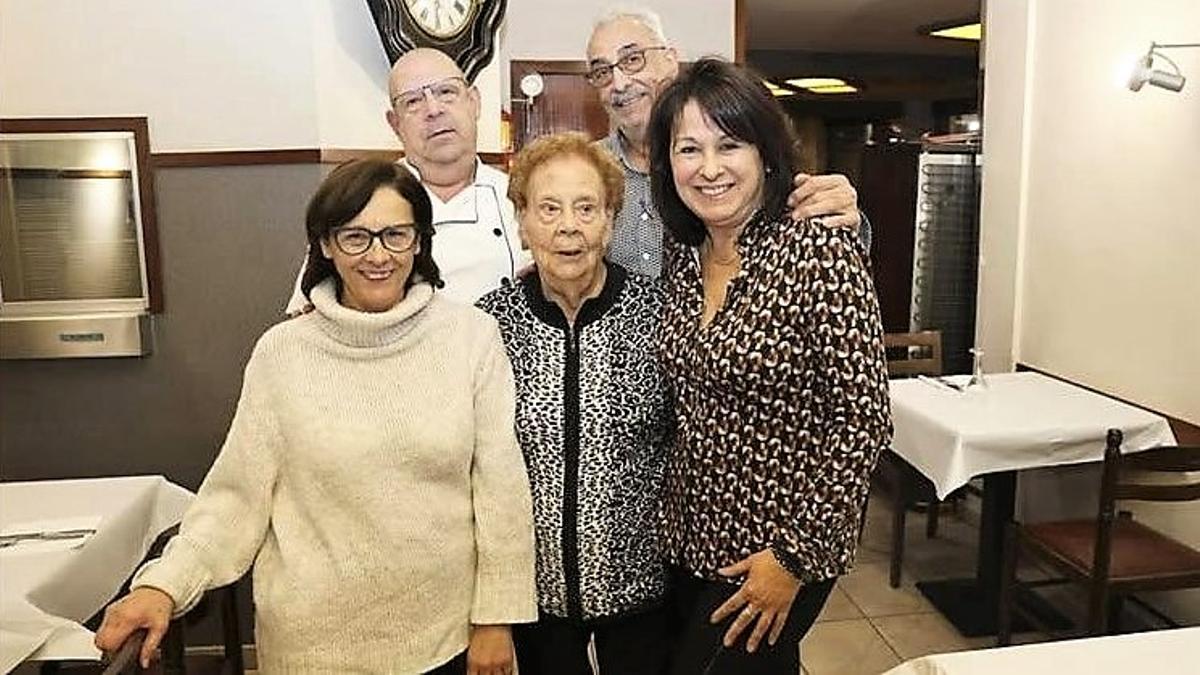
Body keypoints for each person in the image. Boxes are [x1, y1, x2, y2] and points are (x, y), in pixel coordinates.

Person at [97, 160, 537, 674]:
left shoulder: (470, 336)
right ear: (325, 245)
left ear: (419, 241)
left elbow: (500, 489)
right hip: (313, 648)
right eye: (355, 237)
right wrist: (163, 584)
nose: (378, 255)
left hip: (444, 639)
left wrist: (496, 619)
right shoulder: (282, 353)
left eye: (396, 235)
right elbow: (236, 498)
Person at [648, 58, 892, 675]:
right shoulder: (683, 257)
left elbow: (864, 420)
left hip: (779, 546)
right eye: (688, 148)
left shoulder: (819, 247)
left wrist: (791, 559)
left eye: (729, 145)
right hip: (689, 535)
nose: (708, 168)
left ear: (765, 152)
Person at [476, 133, 673, 675]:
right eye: (548, 208)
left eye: (587, 208)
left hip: (644, 589)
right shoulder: (488, 325)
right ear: (522, 222)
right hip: (535, 600)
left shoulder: (659, 314)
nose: (568, 226)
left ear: (610, 221)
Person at [585, 6, 870, 278]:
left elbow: (811, 235)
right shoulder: (584, 169)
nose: (619, 83)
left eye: (633, 59)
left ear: (670, 58)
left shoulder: (741, 157)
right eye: (601, 72)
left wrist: (844, 221)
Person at [285, 49, 528, 312]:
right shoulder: (365, 199)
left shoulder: (522, 196)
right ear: (395, 123)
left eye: (446, 92)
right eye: (413, 102)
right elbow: (307, 311)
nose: (433, 110)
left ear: (474, 102)